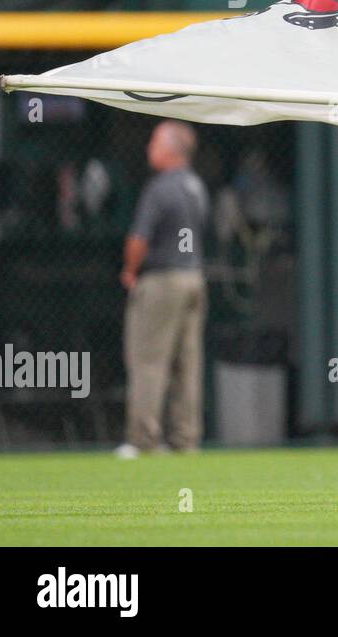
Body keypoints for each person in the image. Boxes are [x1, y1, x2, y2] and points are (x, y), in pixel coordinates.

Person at [114, 120, 209, 458]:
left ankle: (144, 440)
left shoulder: (160, 188)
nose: (149, 148)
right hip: (193, 279)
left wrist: (129, 270)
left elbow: (138, 239)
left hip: (162, 280)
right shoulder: (196, 186)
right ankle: (185, 440)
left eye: (154, 142)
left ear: (171, 149)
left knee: (149, 359)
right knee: (188, 363)